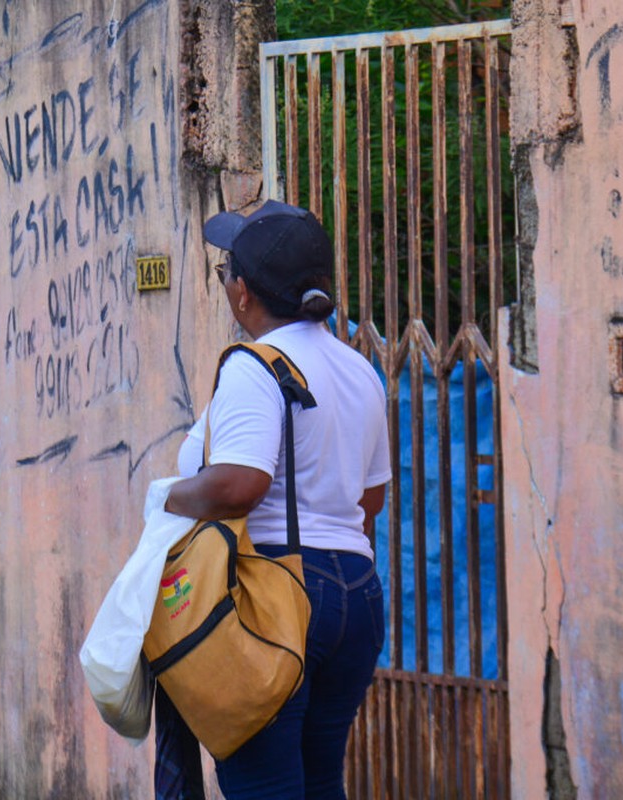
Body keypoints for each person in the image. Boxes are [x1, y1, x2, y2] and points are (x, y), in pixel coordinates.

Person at [164, 200, 391, 799]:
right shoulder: (358, 369)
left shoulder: (255, 367)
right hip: (357, 597)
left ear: (243, 292)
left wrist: (167, 498)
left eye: (224, 275)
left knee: (264, 786)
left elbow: (240, 484)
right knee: (319, 782)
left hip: (275, 594)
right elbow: (372, 498)